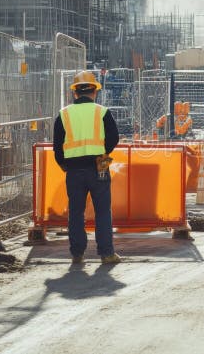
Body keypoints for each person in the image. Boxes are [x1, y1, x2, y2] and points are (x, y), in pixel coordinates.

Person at [53, 71, 121, 264]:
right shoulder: (102, 112)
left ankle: (77, 253)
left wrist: (64, 165)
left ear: (75, 93)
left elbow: (57, 146)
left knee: (75, 212)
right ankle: (107, 254)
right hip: (99, 166)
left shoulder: (64, 114)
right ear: (95, 91)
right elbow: (114, 138)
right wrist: (102, 154)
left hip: (74, 169)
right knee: (102, 210)